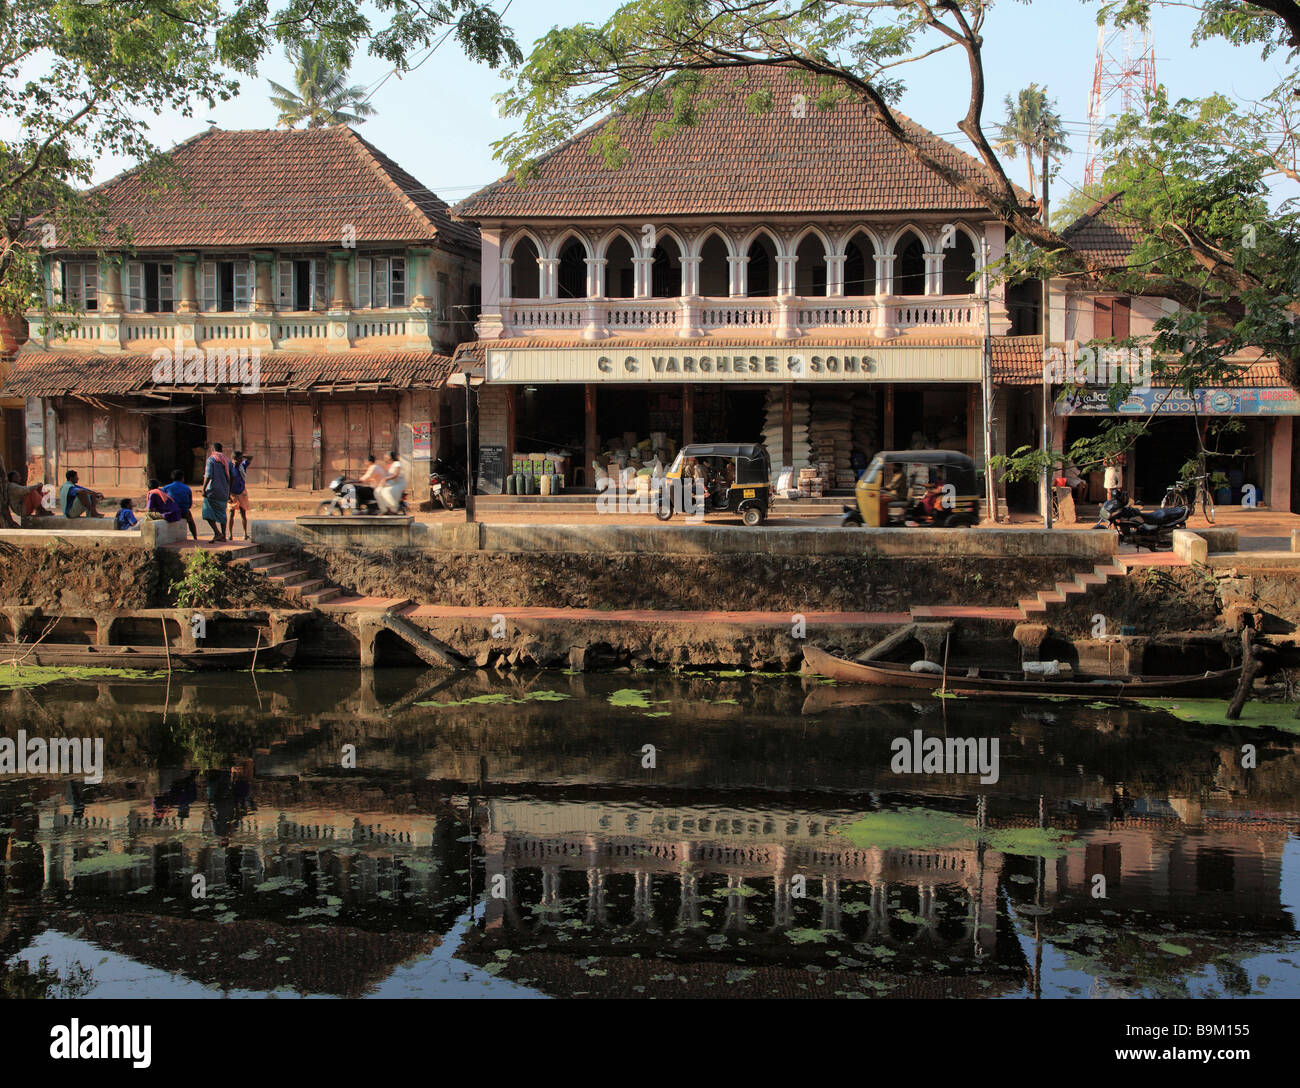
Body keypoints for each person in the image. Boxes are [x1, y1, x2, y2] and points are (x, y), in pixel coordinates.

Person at [202, 442, 232, 541]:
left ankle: (217, 533)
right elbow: (232, 477)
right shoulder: (227, 461)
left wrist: (203, 489)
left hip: (212, 491)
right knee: (222, 513)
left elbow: (208, 475)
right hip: (224, 491)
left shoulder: (211, 460)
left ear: (212, 450)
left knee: (207, 513)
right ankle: (223, 535)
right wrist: (229, 491)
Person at [163, 468, 198, 540]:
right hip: (183, 511)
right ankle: (195, 537)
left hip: (170, 511)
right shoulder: (187, 488)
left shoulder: (166, 488)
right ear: (182, 478)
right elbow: (189, 504)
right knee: (191, 522)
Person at [226, 450, 253, 541]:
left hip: (241, 491)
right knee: (231, 514)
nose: (240, 461)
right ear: (233, 459)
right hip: (232, 493)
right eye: (238, 459)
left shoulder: (242, 466)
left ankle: (245, 533)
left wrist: (243, 456)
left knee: (243, 513)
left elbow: (250, 458)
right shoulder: (230, 467)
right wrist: (228, 495)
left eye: (240, 459)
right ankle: (230, 534)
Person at [375, 449, 406, 514]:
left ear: (390, 457)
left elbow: (396, 474)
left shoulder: (397, 463)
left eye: (386, 456)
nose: (384, 458)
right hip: (393, 484)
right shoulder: (391, 465)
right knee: (377, 491)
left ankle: (393, 509)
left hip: (399, 484)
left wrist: (385, 479)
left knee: (386, 491)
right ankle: (384, 509)